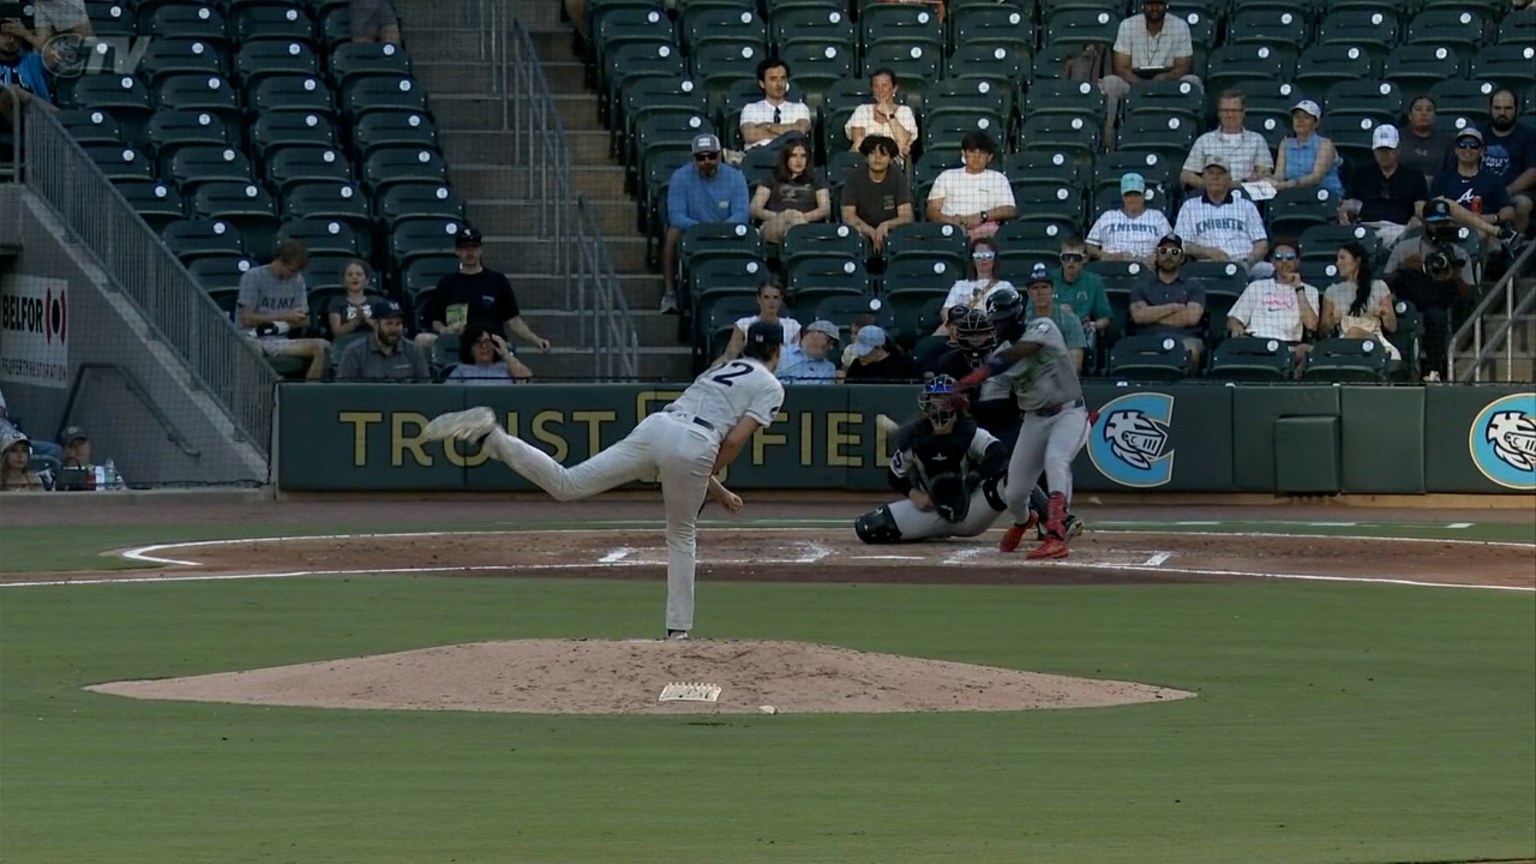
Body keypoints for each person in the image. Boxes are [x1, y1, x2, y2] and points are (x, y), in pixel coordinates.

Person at [421, 321, 787, 640]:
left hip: (658, 425)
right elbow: (733, 440)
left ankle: (492, 437)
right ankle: (679, 631)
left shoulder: (722, 367)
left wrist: (716, 489)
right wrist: (713, 478)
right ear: (776, 349)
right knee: (681, 534)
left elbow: (688, 441)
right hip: (696, 441)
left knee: (569, 483)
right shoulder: (770, 385)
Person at [955, 291, 1092, 560]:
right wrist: (963, 402)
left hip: (1068, 413)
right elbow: (994, 402)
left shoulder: (1042, 327)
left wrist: (972, 377)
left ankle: (1055, 533)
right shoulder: (998, 354)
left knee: (1056, 459)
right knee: (1015, 492)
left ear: (1016, 316)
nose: (998, 325)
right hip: (1033, 419)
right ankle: (1023, 521)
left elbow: (1018, 353)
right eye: (995, 320)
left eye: (1002, 320)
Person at [852, 376, 1011, 544]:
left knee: (1012, 477)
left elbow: (998, 453)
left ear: (957, 405)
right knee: (869, 527)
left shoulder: (969, 432)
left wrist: (972, 480)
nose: (939, 408)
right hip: (932, 509)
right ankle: (932, 530)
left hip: (970, 508)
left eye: (945, 401)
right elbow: (894, 475)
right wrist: (917, 496)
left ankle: (1032, 519)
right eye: (935, 401)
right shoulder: (915, 438)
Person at [417, 226, 551, 356]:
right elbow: (436, 320)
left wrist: (535, 339)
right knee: (421, 339)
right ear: (457, 251)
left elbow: (513, 320)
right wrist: (445, 331)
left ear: (481, 250)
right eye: (464, 248)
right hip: (458, 341)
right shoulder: (447, 283)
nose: (469, 253)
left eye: (474, 248)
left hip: (491, 341)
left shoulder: (497, 280)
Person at [661, 133, 750, 313]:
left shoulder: (736, 177)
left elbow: (741, 214)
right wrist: (702, 230)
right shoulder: (680, 177)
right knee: (672, 233)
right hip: (692, 232)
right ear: (694, 158)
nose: (707, 161)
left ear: (719, 155)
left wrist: (719, 230)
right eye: (701, 157)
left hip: (727, 231)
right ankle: (669, 293)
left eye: (711, 156)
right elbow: (676, 215)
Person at [1100, 0, 1201, 142]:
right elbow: (1121, 68)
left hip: (1169, 84)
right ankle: (1108, 141)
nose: (1154, 8)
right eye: (1150, 3)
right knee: (1111, 82)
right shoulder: (1128, 25)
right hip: (1134, 83)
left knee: (1192, 81)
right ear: (1142, 5)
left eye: (1159, 3)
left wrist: (1165, 77)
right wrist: (1141, 84)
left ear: (1166, 5)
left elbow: (1183, 66)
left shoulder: (1180, 26)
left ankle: (1188, 139)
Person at [237, 239, 331, 381]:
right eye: (291, 270)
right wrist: (285, 316)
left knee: (322, 346)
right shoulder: (252, 277)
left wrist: (290, 320)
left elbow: (303, 320)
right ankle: (252, 399)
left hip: (279, 338)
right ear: (280, 260)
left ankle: (310, 394)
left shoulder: (297, 280)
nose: (293, 275)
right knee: (251, 349)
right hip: (251, 336)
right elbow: (247, 319)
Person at [1225, 241, 1321, 370]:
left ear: (1297, 261)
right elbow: (1233, 320)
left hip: (1288, 347)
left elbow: (1312, 325)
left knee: (1307, 351)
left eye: (1290, 258)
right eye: (1279, 258)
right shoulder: (1257, 287)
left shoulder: (1310, 291)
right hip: (1256, 343)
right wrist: (1236, 327)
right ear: (1272, 261)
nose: (1284, 262)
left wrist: (1299, 289)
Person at [1340, 124, 1429, 249]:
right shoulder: (1360, 173)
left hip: (1399, 229)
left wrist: (1416, 219)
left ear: (1398, 149)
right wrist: (1344, 213)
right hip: (1366, 228)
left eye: (1388, 149)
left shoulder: (1414, 175)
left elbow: (1420, 207)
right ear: (1373, 150)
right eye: (1380, 150)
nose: (1384, 154)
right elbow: (1349, 203)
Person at [1173, 157, 1269, 271]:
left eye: (1220, 173)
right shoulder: (1189, 206)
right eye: (1210, 173)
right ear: (1203, 177)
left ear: (1230, 179)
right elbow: (1180, 244)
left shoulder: (1246, 206)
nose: (1215, 177)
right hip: (1206, 264)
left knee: (1267, 269)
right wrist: (1207, 252)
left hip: (1244, 263)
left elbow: (1261, 243)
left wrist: (1248, 261)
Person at [1129, 232, 1207, 368]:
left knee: (1192, 351)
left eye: (1175, 252)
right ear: (1157, 255)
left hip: (1185, 337)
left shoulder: (1195, 286)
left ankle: (1189, 387)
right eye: (1163, 251)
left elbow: (1191, 318)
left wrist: (1151, 315)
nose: (1169, 255)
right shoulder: (1141, 285)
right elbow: (1139, 316)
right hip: (1146, 337)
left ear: (1182, 258)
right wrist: (1173, 308)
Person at [925, 130, 1017, 240]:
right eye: (972, 152)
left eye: (982, 153)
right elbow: (932, 210)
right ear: (964, 154)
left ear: (990, 157)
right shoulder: (946, 176)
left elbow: (1010, 210)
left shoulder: (998, 179)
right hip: (950, 229)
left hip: (985, 230)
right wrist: (953, 221)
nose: (976, 157)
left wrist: (982, 217)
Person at [1430, 127, 1515, 243]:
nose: (1468, 149)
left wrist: (1492, 218)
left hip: (1483, 233)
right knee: (1448, 204)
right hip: (1449, 229)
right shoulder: (1442, 178)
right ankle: (1495, 231)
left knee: (1481, 234)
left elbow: (1509, 211)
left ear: (1482, 151)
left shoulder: (1492, 179)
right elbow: (1436, 208)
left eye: (1474, 145)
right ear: (1455, 150)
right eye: (1463, 145)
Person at [1322, 240, 1400, 361]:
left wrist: (1385, 314)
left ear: (1357, 261)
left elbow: (1392, 327)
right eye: (1337, 259)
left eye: (1342, 258)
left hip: (1374, 342)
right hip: (1344, 342)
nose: (1337, 263)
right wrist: (1332, 321)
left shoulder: (1378, 286)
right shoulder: (1332, 291)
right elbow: (1323, 331)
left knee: (1355, 332)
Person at [1179, 90, 1273, 189]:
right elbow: (1185, 175)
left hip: (1246, 196)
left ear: (1243, 112)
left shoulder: (1257, 140)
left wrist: (1240, 184)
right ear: (1219, 113)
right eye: (1225, 111)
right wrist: (1213, 186)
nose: (1230, 115)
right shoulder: (1204, 140)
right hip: (1211, 194)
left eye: (1234, 111)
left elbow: (1264, 173)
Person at [839, 134, 914, 257]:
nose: (877, 158)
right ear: (866, 158)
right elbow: (848, 216)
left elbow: (906, 216)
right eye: (873, 153)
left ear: (890, 159)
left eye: (883, 154)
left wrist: (886, 225)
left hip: (890, 233)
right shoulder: (854, 178)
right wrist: (870, 231)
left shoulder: (898, 178)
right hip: (861, 231)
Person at [749, 139, 830, 245]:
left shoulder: (816, 179)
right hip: (775, 223)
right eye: (794, 156)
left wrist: (799, 217)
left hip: (807, 224)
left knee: (797, 228)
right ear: (786, 158)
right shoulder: (772, 178)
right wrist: (783, 217)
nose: (799, 160)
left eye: (803, 156)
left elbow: (825, 209)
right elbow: (755, 208)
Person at [1482, 90, 1536, 237]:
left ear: (1516, 110)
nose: (1502, 113)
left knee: (1522, 203)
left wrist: (1505, 193)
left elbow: (1532, 172)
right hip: (1480, 191)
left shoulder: (1529, 136)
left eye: (1508, 108)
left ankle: (1514, 250)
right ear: (1490, 109)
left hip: (1515, 192)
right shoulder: (1478, 134)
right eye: (1498, 108)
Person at [336, 299, 432, 382]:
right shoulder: (354, 352)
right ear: (376, 324)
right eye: (389, 323)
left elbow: (426, 390)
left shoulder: (414, 351)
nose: (394, 329)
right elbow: (343, 393)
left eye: (398, 324)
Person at [1085, 172, 1173, 261]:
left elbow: (1172, 246)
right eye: (1128, 195)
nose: (1132, 199)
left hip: (1148, 268)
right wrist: (1107, 256)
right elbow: (1089, 246)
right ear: (1123, 197)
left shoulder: (1157, 217)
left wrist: (1157, 257)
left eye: (1136, 195)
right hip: (1113, 266)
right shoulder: (1108, 216)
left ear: (1143, 196)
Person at [936, 237, 1013, 331]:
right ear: (972, 260)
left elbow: (1011, 314)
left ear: (995, 259)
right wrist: (956, 326)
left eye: (988, 255)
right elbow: (946, 311)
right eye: (978, 256)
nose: (984, 259)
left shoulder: (1005, 286)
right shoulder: (960, 285)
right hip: (960, 329)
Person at [1052, 239, 1112, 358]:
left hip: (1080, 331)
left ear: (1084, 260)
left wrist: (1092, 325)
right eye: (1066, 257)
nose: (1071, 262)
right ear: (1060, 259)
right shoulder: (1049, 279)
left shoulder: (1094, 282)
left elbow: (1105, 318)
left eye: (1076, 258)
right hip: (1052, 329)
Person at [716, 279, 800, 364]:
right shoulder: (743, 324)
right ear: (759, 299)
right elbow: (730, 355)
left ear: (781, 300)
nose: (771, 302)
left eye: (775, 297)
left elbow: (796, 358)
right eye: (766, 297)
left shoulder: (792, 326)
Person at [845, 68, 918, 165]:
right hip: (865, 162)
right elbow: (858, 142)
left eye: (884, 86)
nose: (880, 90)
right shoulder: (862, 110)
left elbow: (904, 140)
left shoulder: (905, 112)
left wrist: (889, 114)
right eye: (876, 86)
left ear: (894, 88)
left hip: (893, 164)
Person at [739, 57, 812, 153]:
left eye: (783, 78)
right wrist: (788, 135)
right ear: (762, 84)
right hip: (758, 158)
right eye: (773, 79)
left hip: (789, 160)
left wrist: (767, 126)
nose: (779, 84)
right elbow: (750, 135)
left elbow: (800, 131)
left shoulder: (800, 108)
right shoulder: (750, 109)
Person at [1272, 100, 1344, 198]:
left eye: (1306, 117)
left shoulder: (1325, 144)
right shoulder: (1285, 144)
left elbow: (1316, 177)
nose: (1300, 121)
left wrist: (1290, 184)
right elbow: (1279, 175)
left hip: (1323, 195)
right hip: (1292, 194)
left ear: (1316, 123)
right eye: (1297, 117)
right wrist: (1267, 180)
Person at [445, 323, 534, 384]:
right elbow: (448, 395)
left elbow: (527, 380)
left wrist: (505, 354)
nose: (484, 346)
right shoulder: (461, 370)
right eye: (478, 343)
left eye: (487, 342)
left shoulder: (508, 368)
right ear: (470, 349)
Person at [326, 258, 385, 342]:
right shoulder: (336, 302)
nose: (354, 277)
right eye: (350, 275)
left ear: (367, 281)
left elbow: (385, 329)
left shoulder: (377, 301)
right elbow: (337, 332)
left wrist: (367, 319)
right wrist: (356, 321)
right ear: (343, 280)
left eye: (359, 274)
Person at [1400, 96, 1453, 187]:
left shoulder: (1446, 141)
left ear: (1435, 115)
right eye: (1418, 109)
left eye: (1429, 110)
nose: (1424, 113)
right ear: (1410, 115)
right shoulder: (1398, 137)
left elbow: (1450, 171)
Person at [843, 325, 916, 382]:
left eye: (865, 352)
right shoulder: (856, 366)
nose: (860, 355)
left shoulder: (904, 366)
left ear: (879, 349)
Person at [776, 319, 839, 383]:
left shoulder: (828, 369)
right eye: (829, 341)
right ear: (815, 333)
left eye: (833, 344)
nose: (831, 347)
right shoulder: (781, 353)